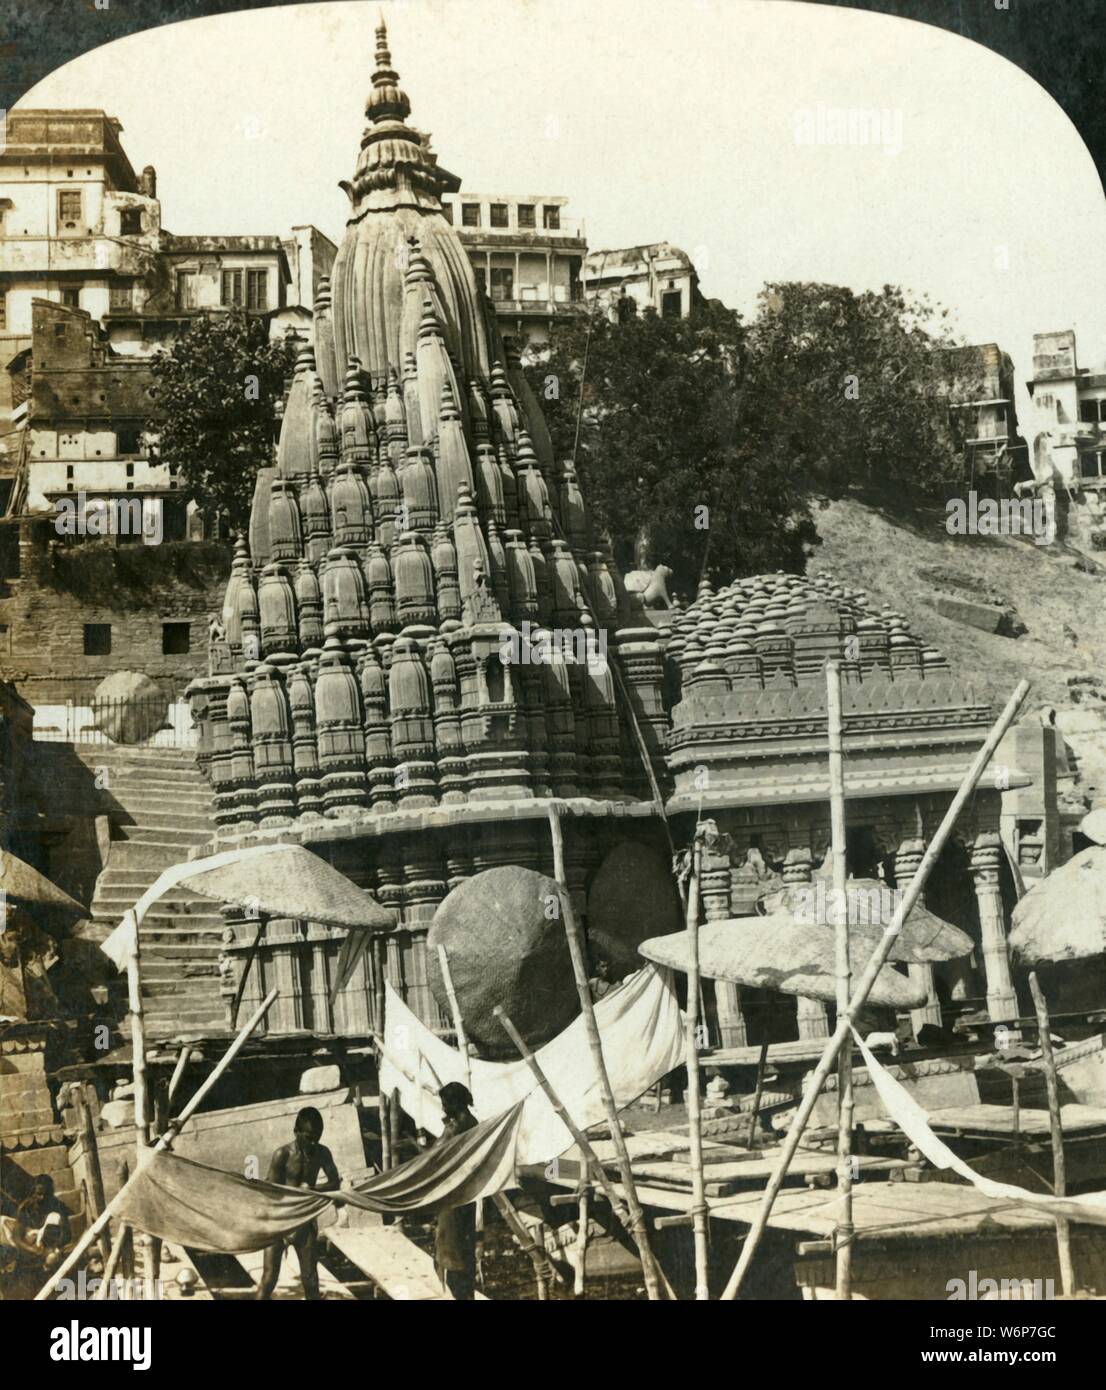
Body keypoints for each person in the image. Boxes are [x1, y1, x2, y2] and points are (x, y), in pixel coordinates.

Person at [255, 1107, 340, 1301]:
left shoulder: (322, 1153)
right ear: (296, 1132)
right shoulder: (282, 1155)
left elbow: (335, 1182)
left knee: (311, 1281)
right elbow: (271, 1193)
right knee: (268, 1280)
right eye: (309, 1137)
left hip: (304, 1223)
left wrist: (312, 1190)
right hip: (280, 1223)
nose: (313, 1142)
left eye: (317, 1138)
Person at [433, 1082, 478, 1301]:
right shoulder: (470, 1122)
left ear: (455, 1103)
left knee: (453, 1255)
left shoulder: (458, 1126)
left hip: (455, 1198)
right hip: (465, 1196)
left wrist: (446, 1130)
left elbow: (436, 1153)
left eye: (445, 1103)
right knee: (463, 1253)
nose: (442, 1108)